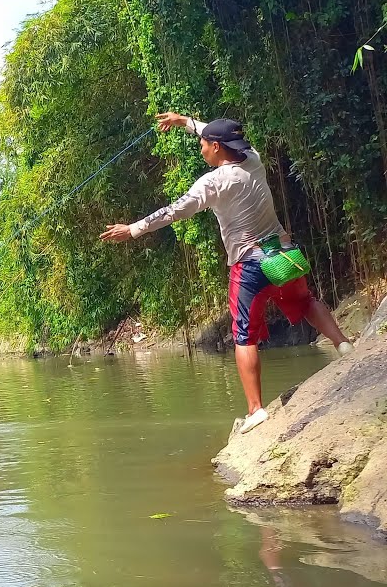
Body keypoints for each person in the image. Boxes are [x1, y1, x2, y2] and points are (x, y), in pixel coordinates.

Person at [100, 112, 353, 434]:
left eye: (204, 145)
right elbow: (215, 133)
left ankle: (256, 410)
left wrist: (133, 229)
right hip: (285, 254)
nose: (201, 148)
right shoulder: (254, 160)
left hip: (250, 264)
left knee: (244, 335)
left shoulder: (214, 182)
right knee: (305, 301)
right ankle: (343, 345)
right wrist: (185, 122)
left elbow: (174, 211)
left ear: (217, 147)